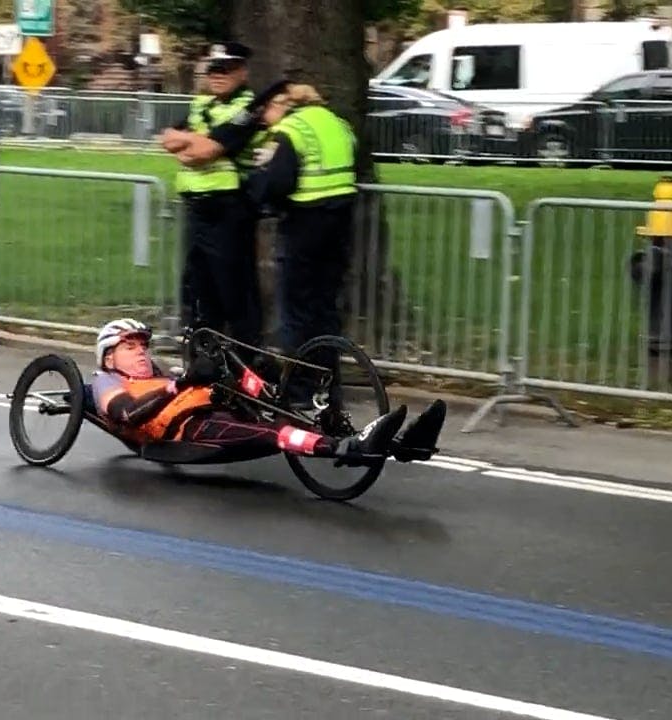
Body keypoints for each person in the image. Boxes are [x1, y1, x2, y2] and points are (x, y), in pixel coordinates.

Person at [91, 318, 447, 464]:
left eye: (143, 346)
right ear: (109, 357)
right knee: (276, 432)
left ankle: (403, 445)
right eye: (129, 347)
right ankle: (348, 448)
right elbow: (127, 415)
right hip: (193, 429)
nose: (141, 352)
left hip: (218, 410)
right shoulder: (108, 382)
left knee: (280, 408)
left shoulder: (159, 375)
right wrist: (182, 382)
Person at [243, 84, 359, 408]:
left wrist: (260, 178)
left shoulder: (291, 129)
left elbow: (276, 185)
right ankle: (329, 387)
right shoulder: (338, 124)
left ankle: (300, 390)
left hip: (304, 224)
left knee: (296, 312)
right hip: (339, 224)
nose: (265, 117)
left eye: (267, 109)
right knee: (325, 310)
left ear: (284, 104)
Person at [158, 42, 268, 354]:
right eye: (213, 69)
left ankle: (246, 360)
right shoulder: (202, 105)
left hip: (229, 208)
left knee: (233, 288)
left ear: (242, 71)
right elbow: (168, 140)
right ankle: (203, 360)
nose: (217, 75)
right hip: (197, 208)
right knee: (198, 286)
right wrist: (194, 143)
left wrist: (194, 144)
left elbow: (205, 151)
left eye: (226, 69)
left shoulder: (248, 108)